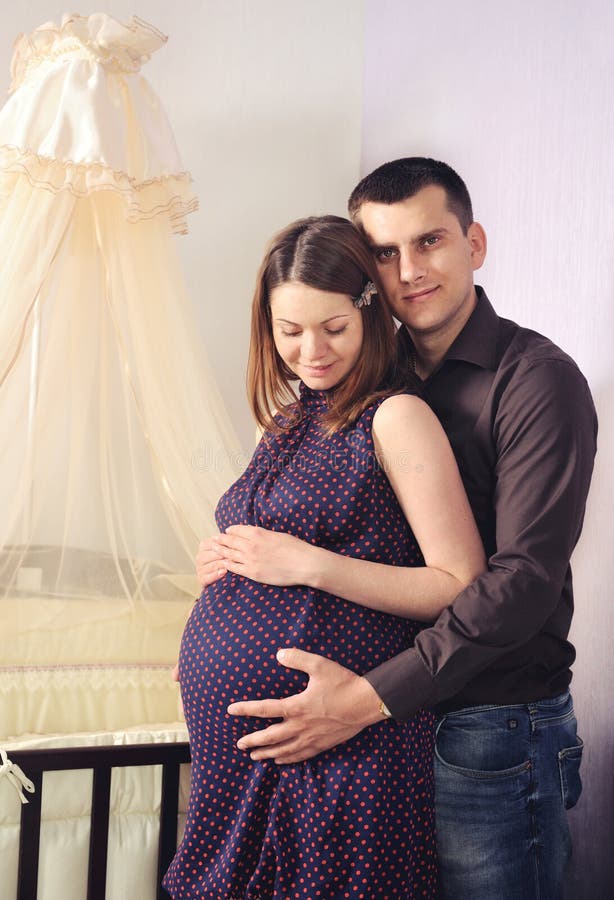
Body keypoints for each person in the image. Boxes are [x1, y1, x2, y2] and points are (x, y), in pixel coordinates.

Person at [202, 160, 598, 899]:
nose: (408, 270)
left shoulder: (535, 381)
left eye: (430, 241)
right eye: (384, 252)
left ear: (474, 243)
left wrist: (371, 696)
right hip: (388, 733)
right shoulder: (369, 381)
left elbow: (521, 584)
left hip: (488, 726)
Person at [164, 214, 487, 898]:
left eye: (333, 328)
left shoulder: (396, 418)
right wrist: (220, 575)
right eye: (290, 331)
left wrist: (307, 564)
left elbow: (459, 583)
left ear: (370, 312)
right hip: (247, 756)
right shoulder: (284, 420)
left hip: (341, 745)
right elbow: (264, 548)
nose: (311, 351)